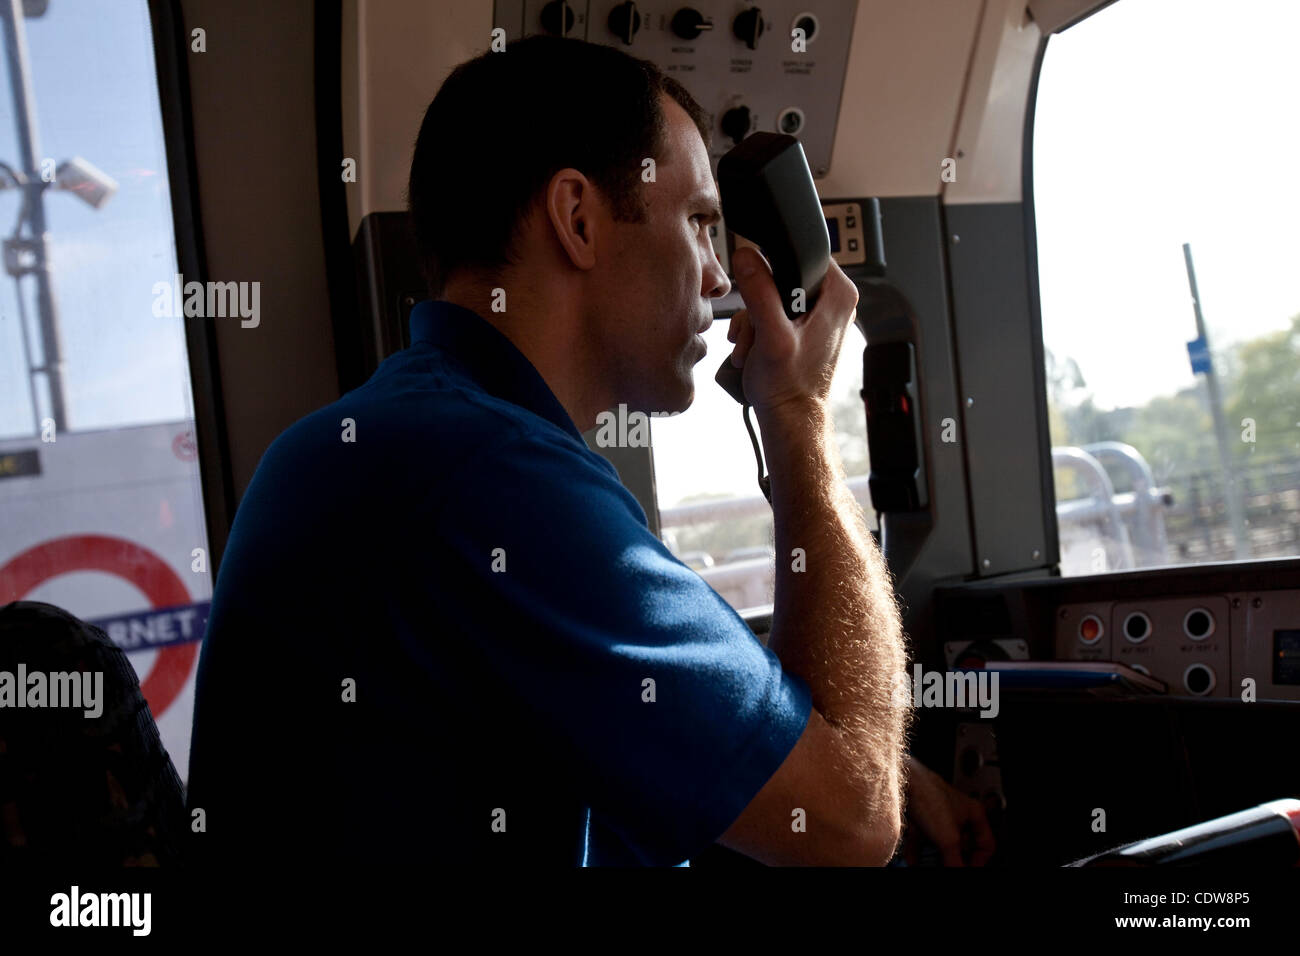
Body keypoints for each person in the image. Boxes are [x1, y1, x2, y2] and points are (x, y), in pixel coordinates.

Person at [186, 34, 993, 868]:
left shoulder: (399, 441)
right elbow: (854, 825)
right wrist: (795, 419)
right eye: (699, 223)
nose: (718, 278)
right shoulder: (490, 476)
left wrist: (871, 761)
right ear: (577, 219)